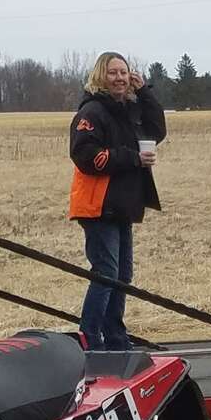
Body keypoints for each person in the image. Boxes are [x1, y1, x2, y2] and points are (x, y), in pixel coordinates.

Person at [68, 51, 166, 351]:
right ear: (100, 76)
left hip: (122, 205)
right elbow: (85, 156)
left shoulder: (128, 109)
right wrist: (133, 158)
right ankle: (90, 339)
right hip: (98, 206)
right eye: (113, 73)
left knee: (122, 276)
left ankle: (115, 338)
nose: (120, 78)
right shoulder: (92, 112)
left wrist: (145, 91)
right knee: (106, 274)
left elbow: (157, 130)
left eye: (124, 72)